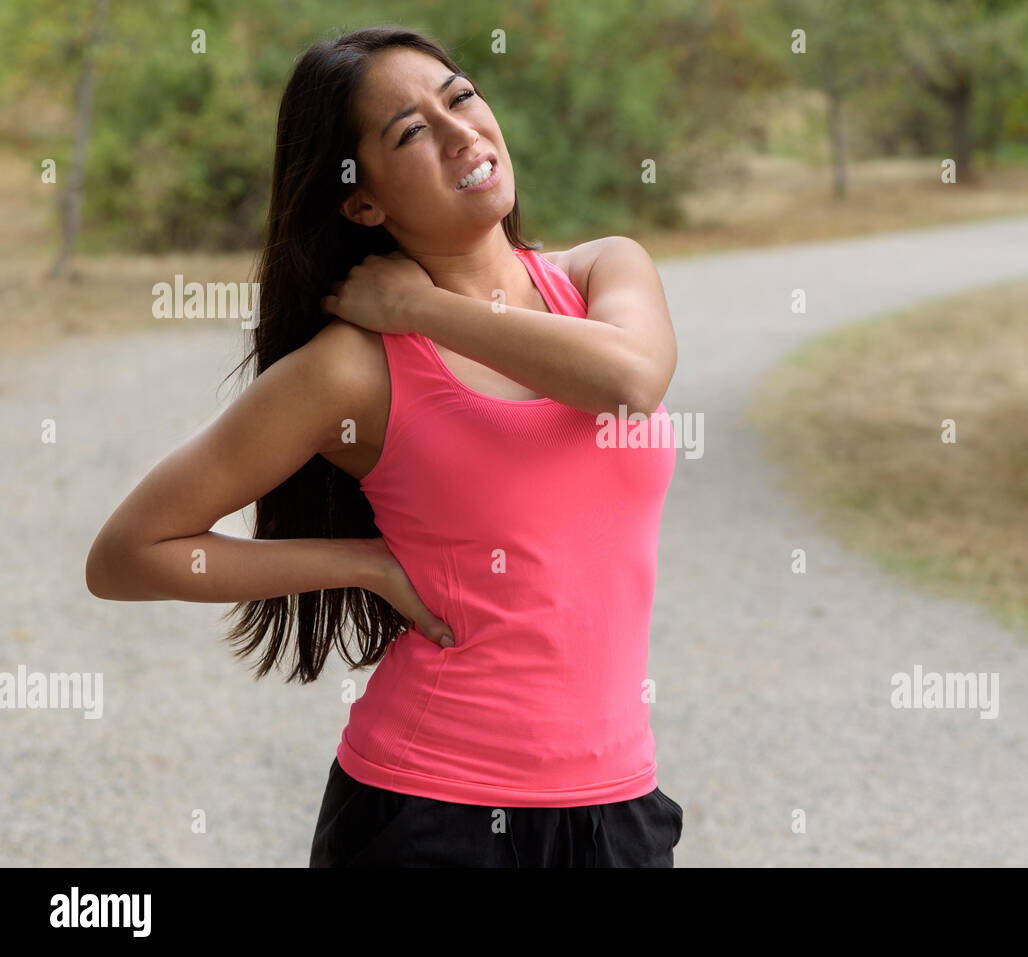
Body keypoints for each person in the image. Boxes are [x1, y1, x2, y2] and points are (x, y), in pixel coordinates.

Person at [84, 25, 683, 867]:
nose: (461, 133)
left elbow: (631, 379)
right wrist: (364, 563)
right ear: (360, 200)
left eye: (462, 96)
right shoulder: (351, 372)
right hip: (431, 812)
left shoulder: (600, 274)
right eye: (410, 132)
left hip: (616, 804)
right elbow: (127, 554)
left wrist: (423, 309)